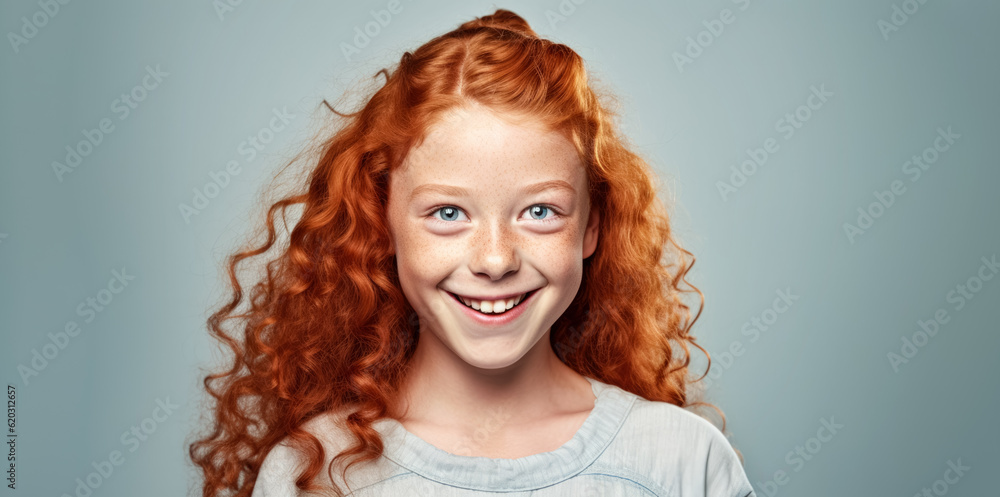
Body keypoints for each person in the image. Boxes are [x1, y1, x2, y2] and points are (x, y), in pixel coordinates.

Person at [189, 8, 756, 497]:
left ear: (592, 228)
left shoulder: (681, 461)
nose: (494, 260)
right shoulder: (311, 469)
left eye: (540, 212)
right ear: (383, 223)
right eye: (448, 214)